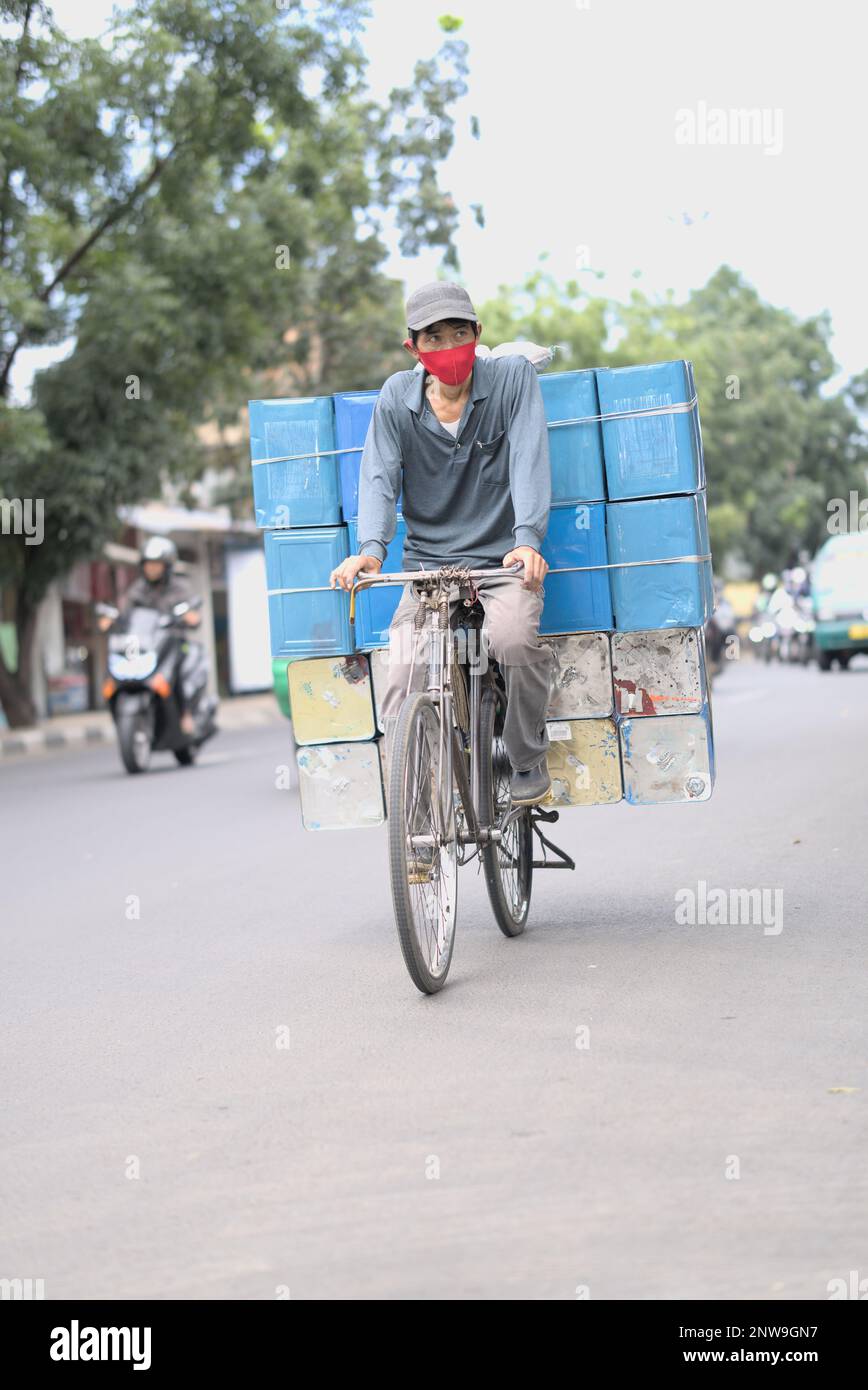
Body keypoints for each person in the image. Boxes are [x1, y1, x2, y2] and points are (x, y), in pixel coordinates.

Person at [329, 280, 556, 806]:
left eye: (459, 332)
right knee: (401, 674)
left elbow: (528, 458)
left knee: (515, 640)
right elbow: (379, 478)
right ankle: (421, 807)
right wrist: (370, 549)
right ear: (414, 348)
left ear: (478, 334)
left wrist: (527, 540)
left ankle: (525, 756)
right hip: (427, 571)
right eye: (434, 336)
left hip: (501, 564)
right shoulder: (396, 399)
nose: (449, 344)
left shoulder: (510, 380)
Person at [98, 536, 208, 735]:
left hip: (173, 640)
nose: (152, 569)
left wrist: (190, 617)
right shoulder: (137, 589)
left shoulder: (179, 588)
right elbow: (127, 614)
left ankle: (185, 714)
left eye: (156, 564)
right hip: (146, 643)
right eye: (148, 564)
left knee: (177, 669)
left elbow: (192, 611)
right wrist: (112, 620)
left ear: (166, 566)